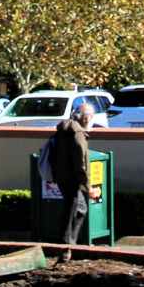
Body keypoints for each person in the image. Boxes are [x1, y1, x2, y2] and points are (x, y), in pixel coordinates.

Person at [49, 103, 99, 264]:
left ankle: (71, 245)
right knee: (71, 211)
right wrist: (88, 187)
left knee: (79, 209)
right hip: (72, 179)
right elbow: (81, 165)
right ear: (85, 118)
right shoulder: (77, 133)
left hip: (62, 177)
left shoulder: (62, 130)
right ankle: (67, 248)